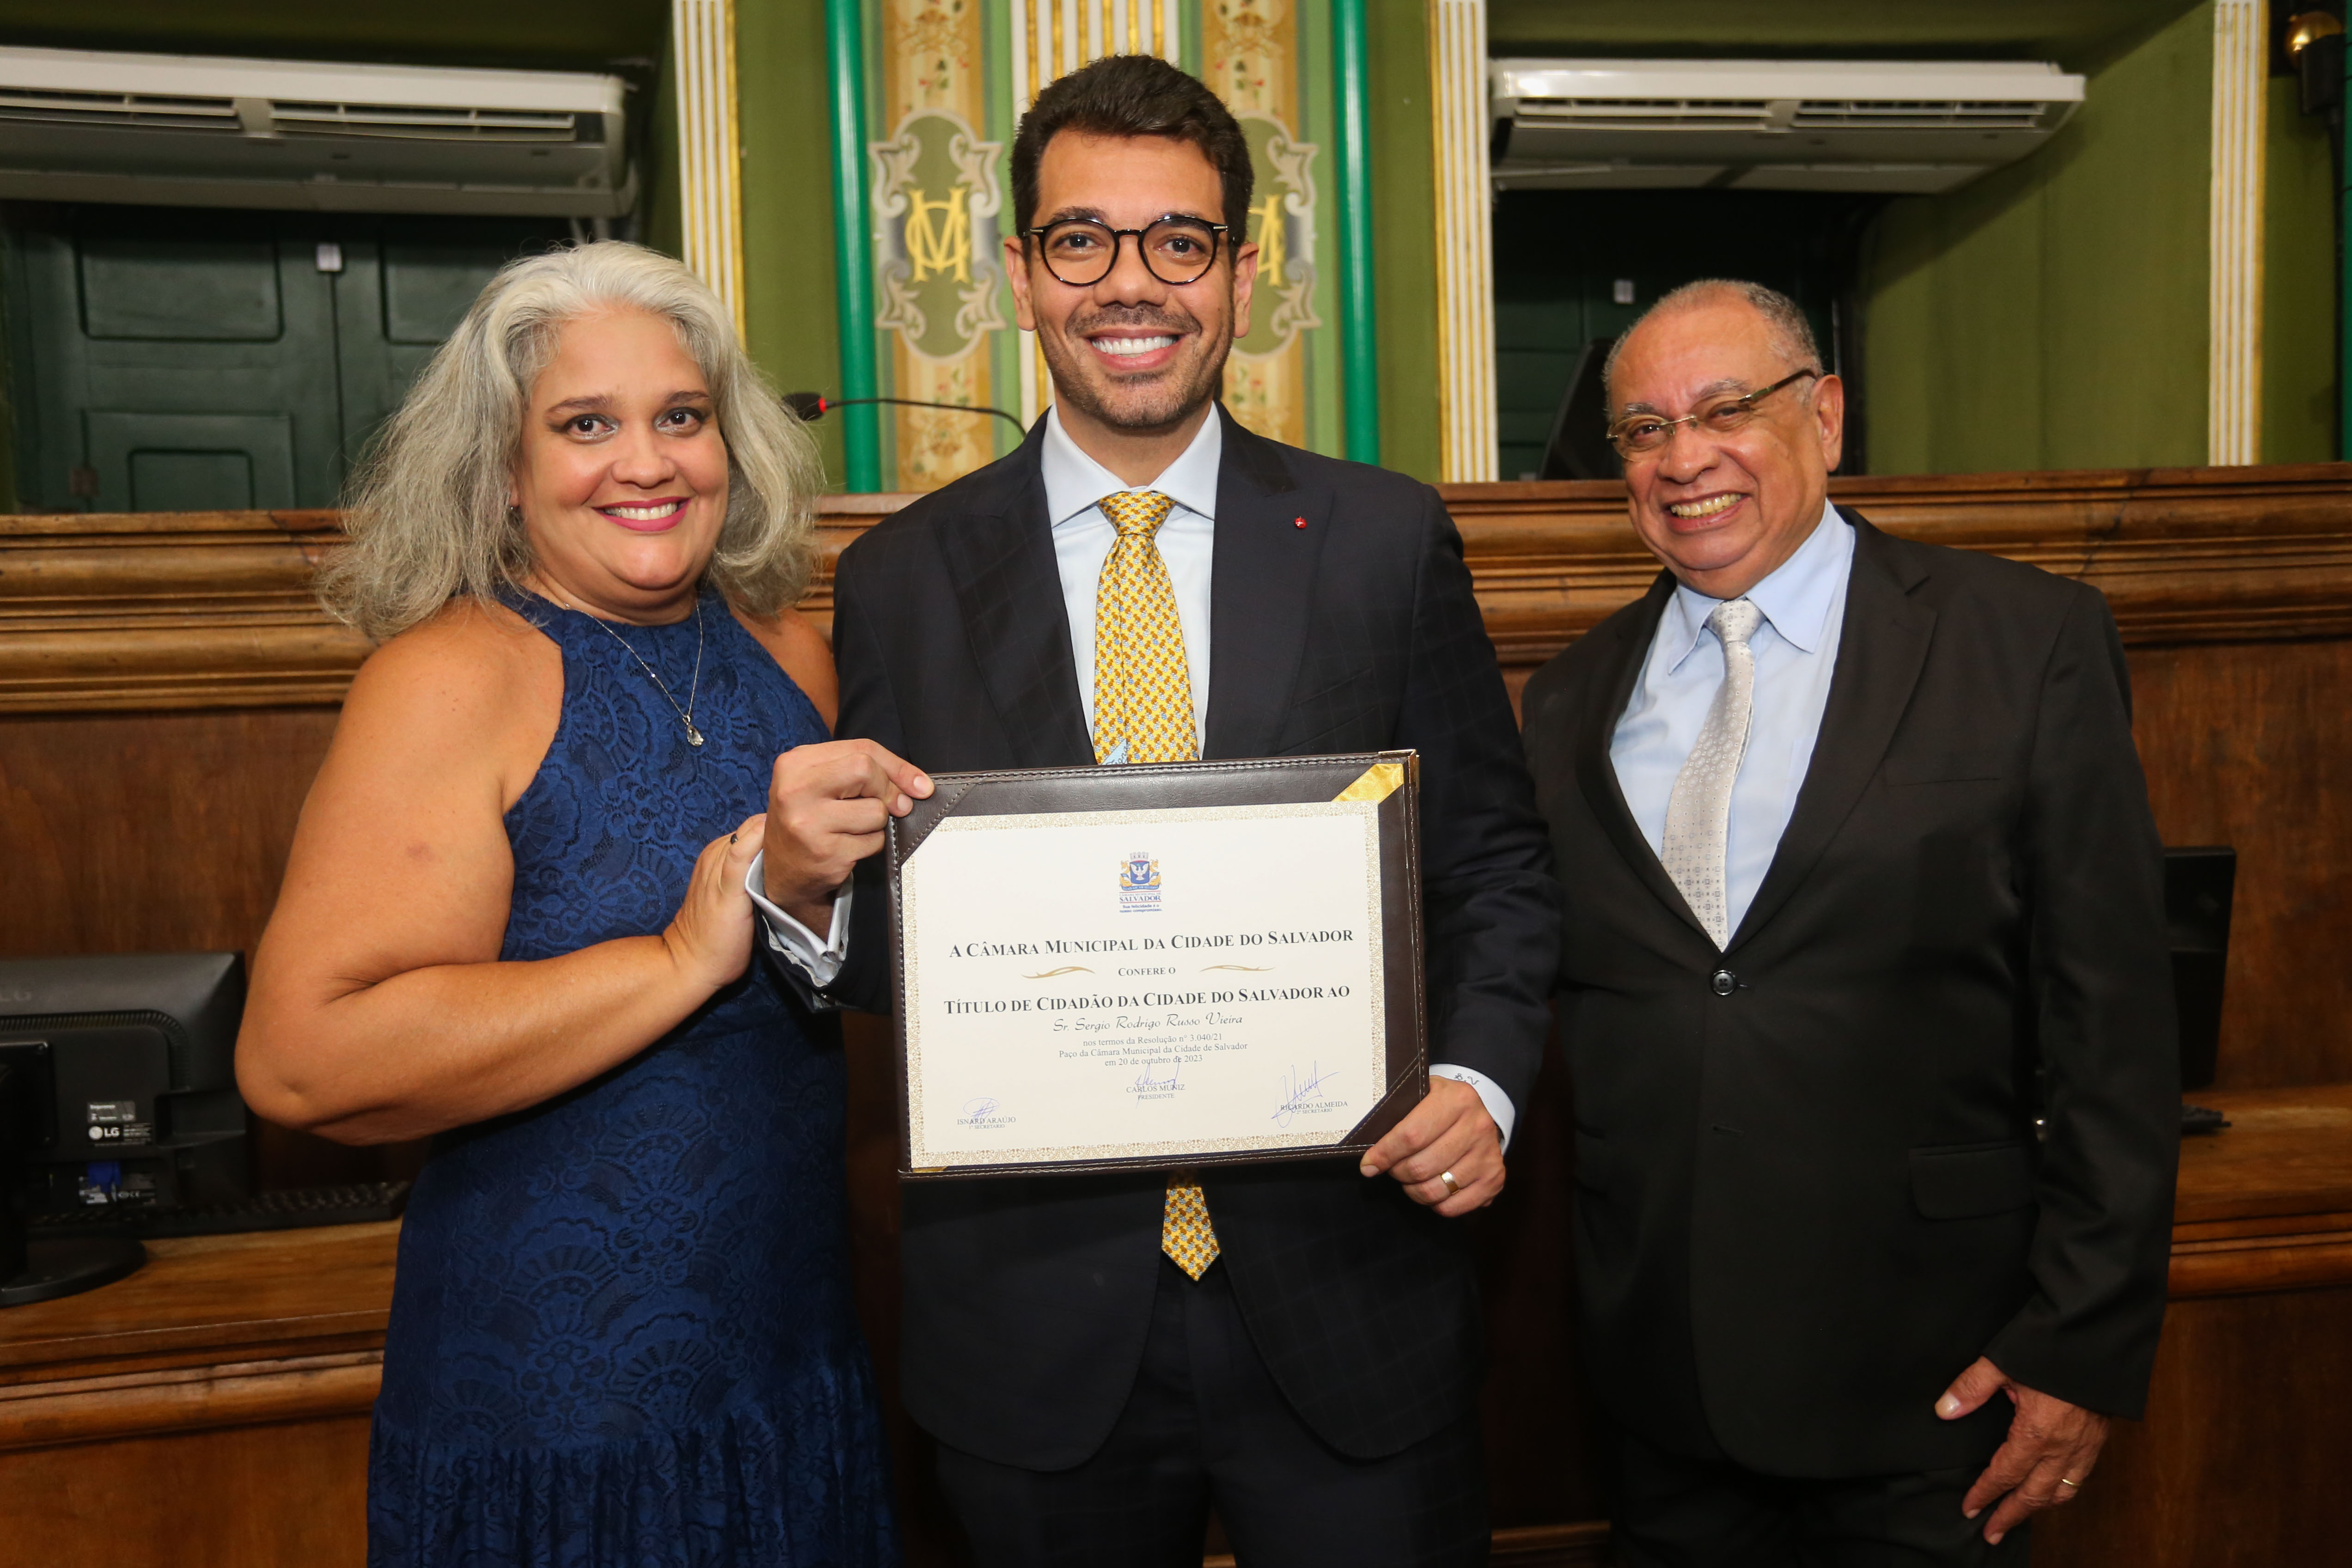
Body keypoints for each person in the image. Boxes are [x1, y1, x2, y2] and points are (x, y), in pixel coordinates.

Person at [749, 53, 1558, 1568]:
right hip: (1032, 1330)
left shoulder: (1381, 537)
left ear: (1243, 277)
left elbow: (1494, 867)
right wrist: (802, 895)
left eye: (1178, 242)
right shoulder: (901, 578)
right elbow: (895, 961)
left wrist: (1484, 1081)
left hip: (1351, 1294)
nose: (1133, 285)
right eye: (1082, 242)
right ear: (1019, 272)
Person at [236, 242, 898, 1567]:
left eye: (681, 417)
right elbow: (304, 1063)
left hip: (789, 1357)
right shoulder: (450, 678)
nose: (645, 464)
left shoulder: (791, 649)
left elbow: (842, 980)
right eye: (584, 425)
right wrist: (674, 955)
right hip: (560, 1409)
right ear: (505, 467)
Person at [1519, 280, 2180, 1565]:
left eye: (1723, 409)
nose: (1683, 457)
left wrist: (2078, 1338)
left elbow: (2114, 1025)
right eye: (1644, 429)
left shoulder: (2021, 638)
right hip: (1664, 1387)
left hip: (1941, 1389)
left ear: (1824, 413)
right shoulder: (1569, 697)